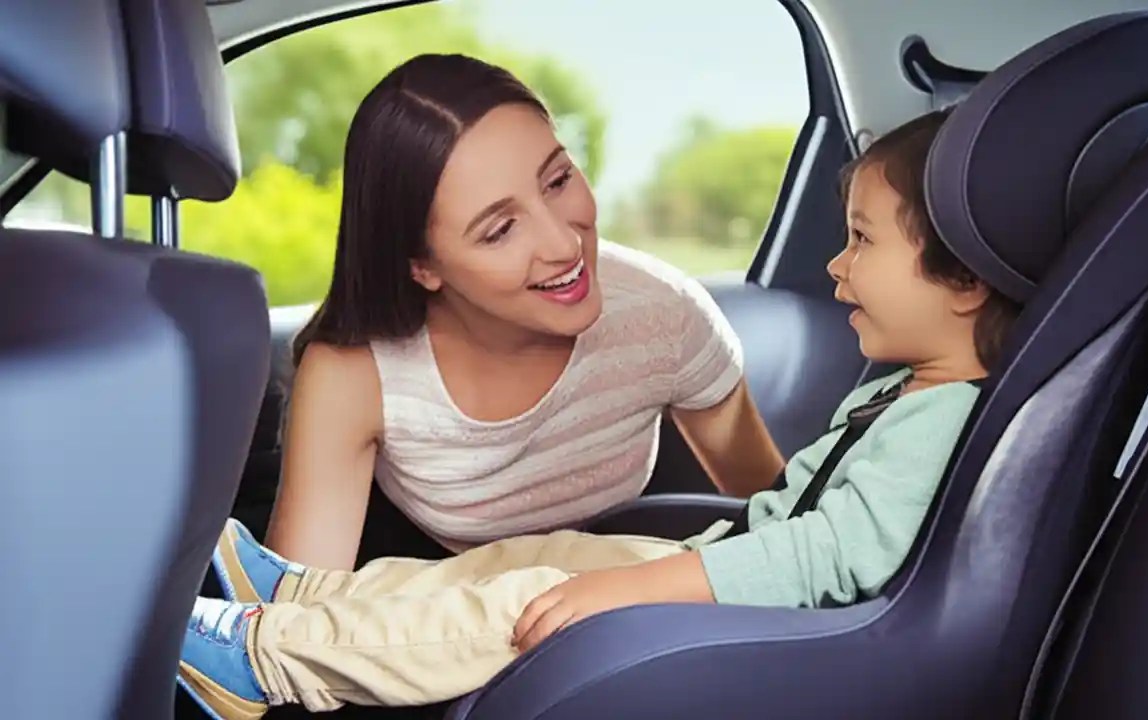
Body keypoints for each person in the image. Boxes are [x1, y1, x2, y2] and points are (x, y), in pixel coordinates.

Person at [176, 108, 1022, 719]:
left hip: (790, 623)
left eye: (863, 241)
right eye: (500, 225)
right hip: (743, 565)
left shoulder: (944, 417)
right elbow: (791, 508)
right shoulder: (910, 389)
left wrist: (639, 584)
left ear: (966, 276)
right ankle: (310, 598)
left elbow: (822, 557)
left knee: (537, 598)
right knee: (542, 555)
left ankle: (266, 658)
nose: (835, 267)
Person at [264, 52, 786, 573]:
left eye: (557, 181)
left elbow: (788, 527)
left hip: (621, 603)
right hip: (435, 616)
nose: (563, 244)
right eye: (499, 230)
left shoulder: (663, 316)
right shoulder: (355, 375)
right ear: (422, 267)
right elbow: (290, 622)